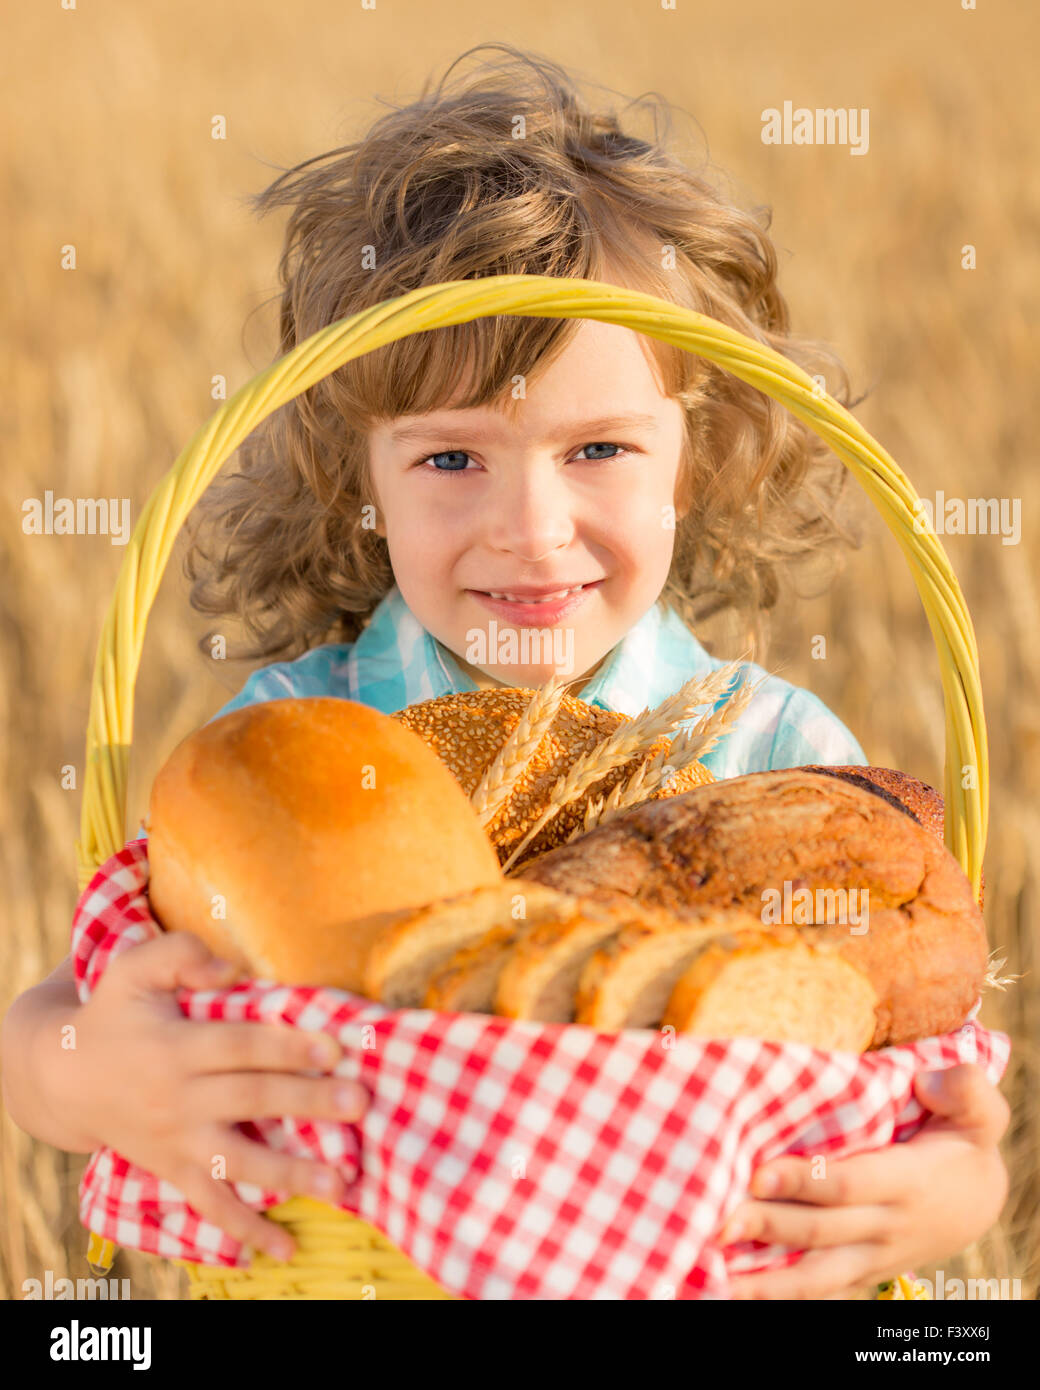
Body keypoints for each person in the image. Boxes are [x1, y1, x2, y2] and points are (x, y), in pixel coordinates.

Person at [0, 43, 1008, 1297]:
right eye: (449, 461)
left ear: (687, 461)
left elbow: (927, 1069)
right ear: (355, 476)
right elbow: (47, 1024)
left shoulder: (778, 756)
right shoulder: (290, 740)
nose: (529, 528)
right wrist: (87, 1070)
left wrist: (954, 1184)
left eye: (595, 448)